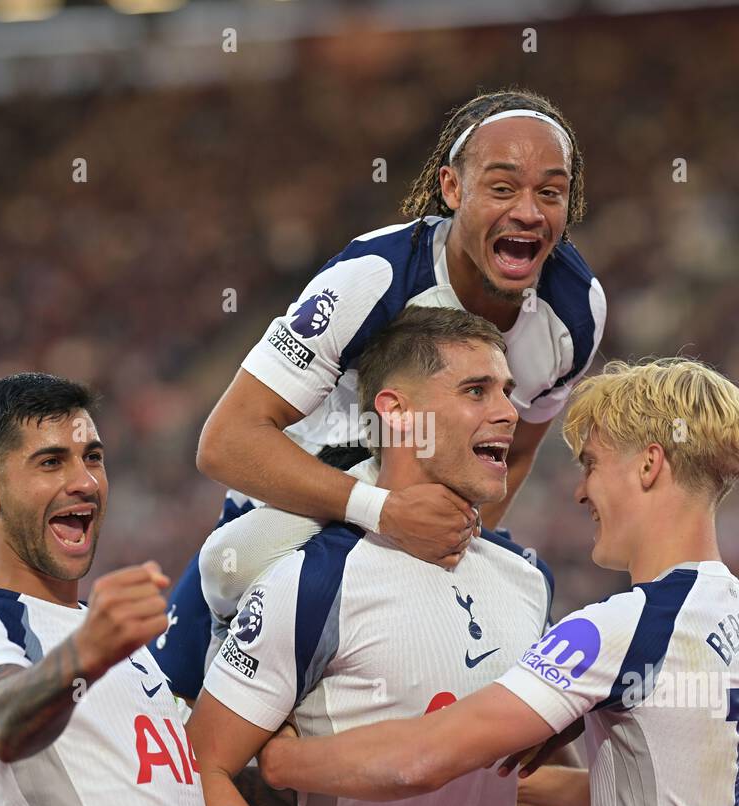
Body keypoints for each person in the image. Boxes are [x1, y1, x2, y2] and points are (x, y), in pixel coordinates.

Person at [258, 358, 739, 806]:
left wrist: (284, 762)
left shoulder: (627, 629)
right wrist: (511, 791)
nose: (580, 491)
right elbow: (685, 797)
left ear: (649, 464)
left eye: (591, 464)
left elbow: (420, 759)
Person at [155, 88, 607, 704]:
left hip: (419, 518)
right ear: (452, 188)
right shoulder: (372, 279)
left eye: (550, 192)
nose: (529, 212)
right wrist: (382, 513)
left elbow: (517, 451)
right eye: (502, 188)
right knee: (182, 716)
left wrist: (451, 543)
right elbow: (226, 443)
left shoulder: (576, 313)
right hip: (297, 508)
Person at [186, 308, 555, 806]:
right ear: (397, 411)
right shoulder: (314, 581)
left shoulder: (527, 580)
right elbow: (200, 769)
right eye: (476, 391)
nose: (507, 413)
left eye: (507, 392)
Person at [0, 373, 213, 806]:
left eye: (92, 457)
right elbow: (0, 719)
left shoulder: (121, 643)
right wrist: (86, 654)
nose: (86, 482)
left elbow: (187, 801)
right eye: (51, 462)